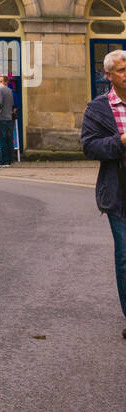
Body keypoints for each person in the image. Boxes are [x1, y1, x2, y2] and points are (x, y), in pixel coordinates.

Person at [81, 49, 126, 339]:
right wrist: (120, 141)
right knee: (125, 256)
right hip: (119, 189)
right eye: (122, 70)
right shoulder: (98, 108)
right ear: (108, 75)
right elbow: (89, 146)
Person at [0, 74, 15, 167]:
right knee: (9, 140)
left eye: (0, 81)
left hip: (1, 118)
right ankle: (9, 161)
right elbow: (11, 104)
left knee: (2, 141)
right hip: (9, 118)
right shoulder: (10, 90)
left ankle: (3, 161)